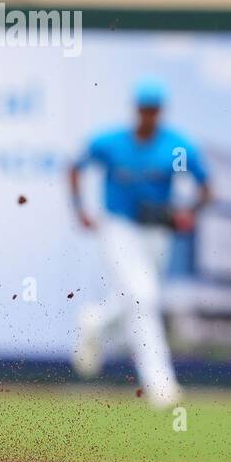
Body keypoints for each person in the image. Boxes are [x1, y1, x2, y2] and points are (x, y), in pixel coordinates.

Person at [68, 79, 211, 407]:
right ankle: (160, 384)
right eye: (144, 108)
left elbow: (205, 186)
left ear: (161, 111)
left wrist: (191, 212)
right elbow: (75, 167)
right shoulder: (112, 143)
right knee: (143, 297)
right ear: (136, 110)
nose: (149, 114)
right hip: (119, 226)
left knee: (135, 298)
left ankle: (94, 320)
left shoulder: (176, 147)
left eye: (154, 109)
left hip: (157, 231)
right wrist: (79, 208)